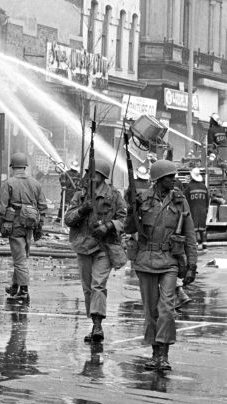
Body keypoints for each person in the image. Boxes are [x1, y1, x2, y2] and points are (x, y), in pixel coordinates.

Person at [124, 159, 198, 371]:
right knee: (151, 311)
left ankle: (164, 355)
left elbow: (190, 235)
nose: (174, 180)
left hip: (170, 261)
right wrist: (131, 211)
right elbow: (129, 229)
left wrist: (192, 265)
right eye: (169, 177)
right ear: (158, 179)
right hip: (146, 259)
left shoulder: (179, 201)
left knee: (167, 309)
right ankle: (155, 352)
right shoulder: (142, 199)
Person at [63, 159, 126, 344]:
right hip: (83, 247)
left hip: (104, 247)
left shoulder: (114, 196)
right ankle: (93, 325)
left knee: (98, 284)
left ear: (103, 176)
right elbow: (68, 219)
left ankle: (98, 325)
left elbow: (125, 220)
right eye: (89, 172)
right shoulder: (80, 195)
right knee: (88, 288)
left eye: (94, 173)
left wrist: (109, 226)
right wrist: (82, 210)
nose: (90, 176)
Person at [0, 152, 47, 303]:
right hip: (30, 225)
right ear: (25, 167)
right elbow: (43, 207)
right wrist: (39, 228)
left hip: (15, 225)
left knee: (19, 259)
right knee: (22, 256)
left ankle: (23, 291)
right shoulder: (36, 184)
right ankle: (15, 286)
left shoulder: (8, 183)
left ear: (12, 167)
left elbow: (0, 209)